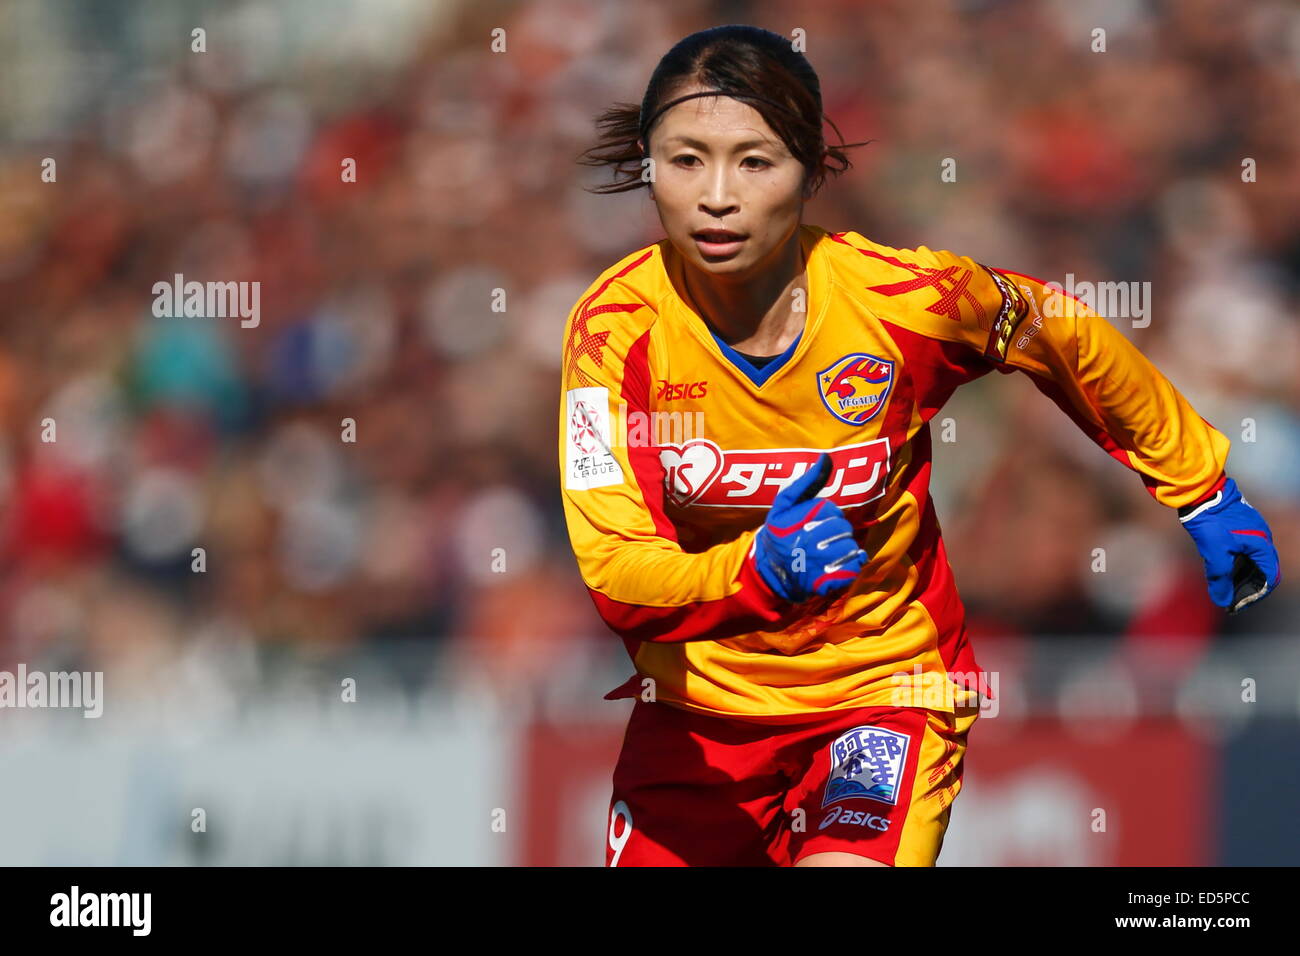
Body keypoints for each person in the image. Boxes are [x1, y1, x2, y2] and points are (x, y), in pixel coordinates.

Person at [557, 24, 1280, 867]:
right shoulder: (613, 334)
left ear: (813, 171)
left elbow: (1058, 330)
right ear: (647, 164)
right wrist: (749, 575)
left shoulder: (904, 302)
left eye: (755, 162)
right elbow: (614, 571)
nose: (717, 195)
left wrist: (1200, 483)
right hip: (699, 723)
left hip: (884, 694)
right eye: (685, 161)